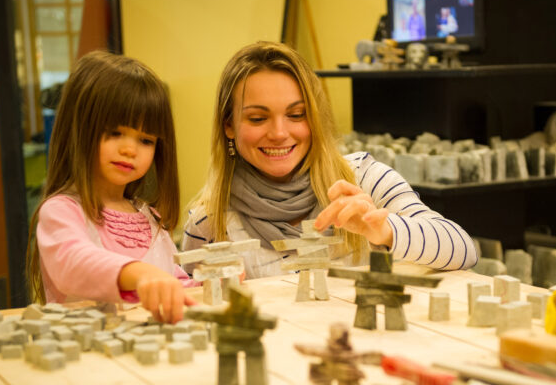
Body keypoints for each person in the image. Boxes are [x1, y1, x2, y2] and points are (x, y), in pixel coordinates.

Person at [182, 41, 477, 279]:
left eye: (296, 115)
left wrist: (384, 230)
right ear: (228, 125)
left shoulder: (364, 178)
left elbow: (463, 249)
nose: (279, 133)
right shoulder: (210, 221)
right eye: (258, 118)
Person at [26, 51, 194, 323]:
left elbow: (173, 282)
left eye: (146, 140)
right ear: (78, 130)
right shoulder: (61, 211)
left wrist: (210, 284)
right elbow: (74, 263)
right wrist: (139, 274)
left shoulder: (150, 217)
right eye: (115, 133)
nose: (129, 149)